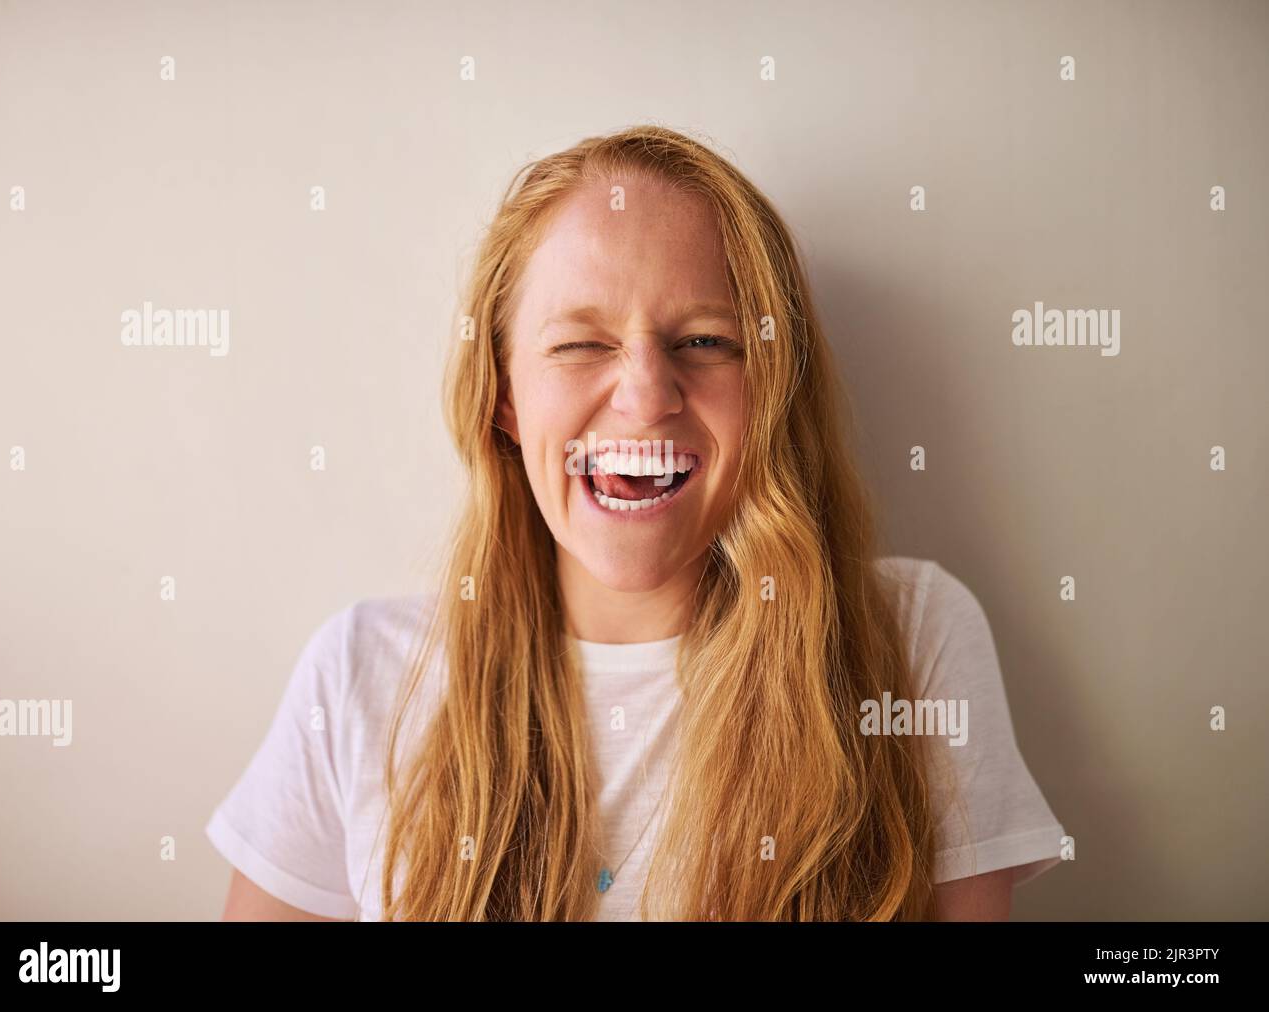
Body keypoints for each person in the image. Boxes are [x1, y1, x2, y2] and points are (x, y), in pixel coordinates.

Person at [206, 125, 1065, 921]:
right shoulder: (360, 677)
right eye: (581, 344)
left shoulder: (908, 640)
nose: (648, 395)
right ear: (504, 396)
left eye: (704, 341)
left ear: (768, 388)